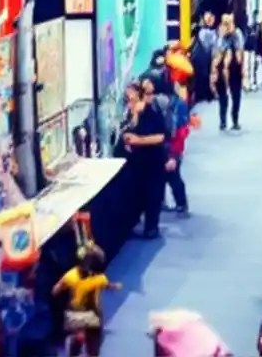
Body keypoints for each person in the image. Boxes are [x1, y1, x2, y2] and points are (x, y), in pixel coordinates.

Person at [53, 244, 121, 357]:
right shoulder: (100, 279)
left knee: (76, 343)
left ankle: (76, 341)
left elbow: (55, 291)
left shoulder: (70, 275)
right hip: (93, 315)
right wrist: (115, 286)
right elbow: (109, 285)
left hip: (75, 314)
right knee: (93, 347)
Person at [122, 83, 168, 239]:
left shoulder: (152, 113)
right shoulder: (129, 116)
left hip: (153, 162)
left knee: (153, 196)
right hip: (136, 163)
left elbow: (161, 136)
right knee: (136, 194)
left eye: (132, 98)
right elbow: (125, 133)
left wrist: (138, 141)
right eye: (127, 99)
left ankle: (151, 227)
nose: (130, 103)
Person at [212, 14, 244, 131]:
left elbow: (240, 55)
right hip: (221, 67)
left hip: (235, 67)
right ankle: (223, 121)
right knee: (222, 96)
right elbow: (216, 53)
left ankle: (235, 119)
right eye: (224, 22)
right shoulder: (219, 34)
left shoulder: (238, 33)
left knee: (236, 95)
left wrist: (233, 35)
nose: (227, 25)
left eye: (229, 22)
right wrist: (222, 37)